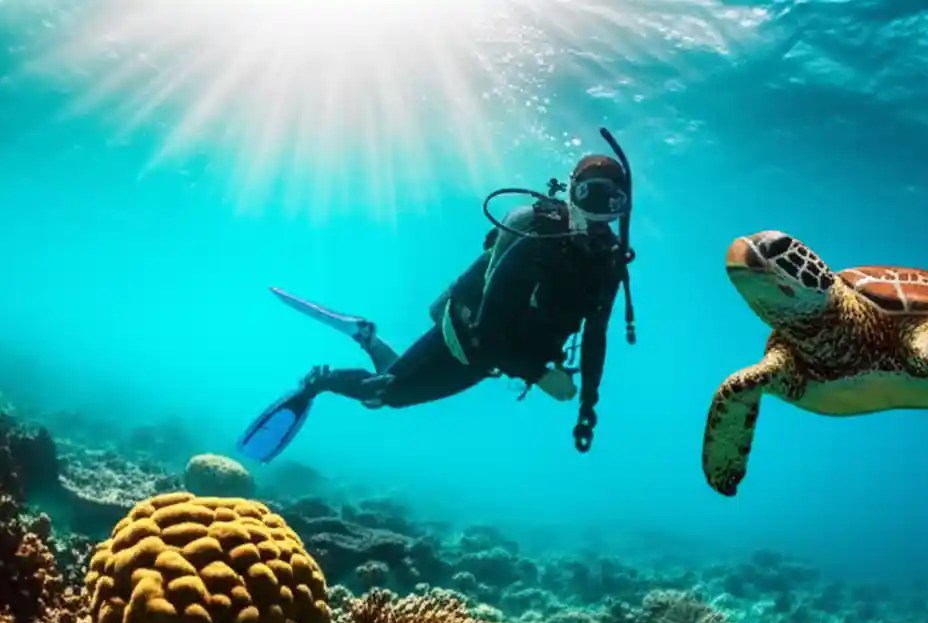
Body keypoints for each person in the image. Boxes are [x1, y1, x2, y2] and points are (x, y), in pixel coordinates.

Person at [237, 127, 638, 463]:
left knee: (394, 382)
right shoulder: (535, 241)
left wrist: (588, 404)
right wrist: (536, 373)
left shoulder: (609, 263)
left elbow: (597, 334)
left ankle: (366, 336)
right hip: (466, 338)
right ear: (571, 194)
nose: (598, 215)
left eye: (612, 202)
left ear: (623, 208)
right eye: (590, 196)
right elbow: (488, 329)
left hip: (501, 356)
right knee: (385, 394)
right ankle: (319, 383)